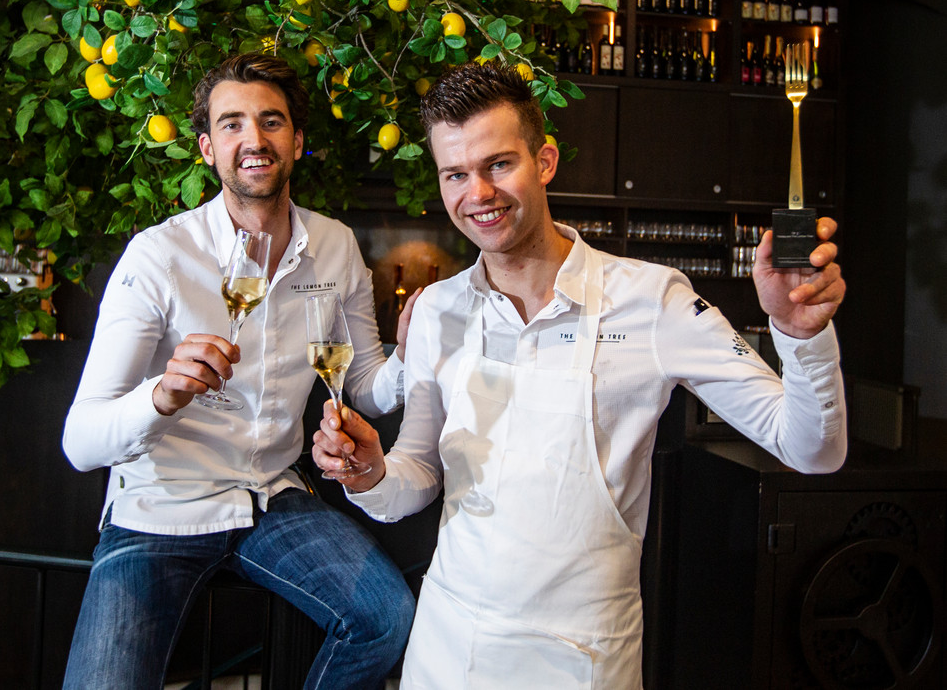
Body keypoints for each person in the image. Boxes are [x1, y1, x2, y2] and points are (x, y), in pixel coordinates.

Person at [312, 61, 848, 689]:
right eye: (456, 174)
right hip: (449, 644)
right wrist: (372, 473)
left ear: (545, 162)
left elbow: (813, 450)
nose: (477, 193)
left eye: (498, 165)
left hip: (581, 657)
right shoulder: (436, 310)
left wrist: (802, 336)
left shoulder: (651, 300)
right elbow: (421, 474)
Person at [62, 53, 415, 690]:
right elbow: (80, 443)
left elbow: (366, 385)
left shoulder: (334, 246)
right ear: (207, 148)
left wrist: (415, 357)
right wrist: (162, 395)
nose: (253, 139)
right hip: (160, 509)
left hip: (272, 498)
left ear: (297, 141)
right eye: (232, 124)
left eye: (271, 121)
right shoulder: (161, 257)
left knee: (386, 620)